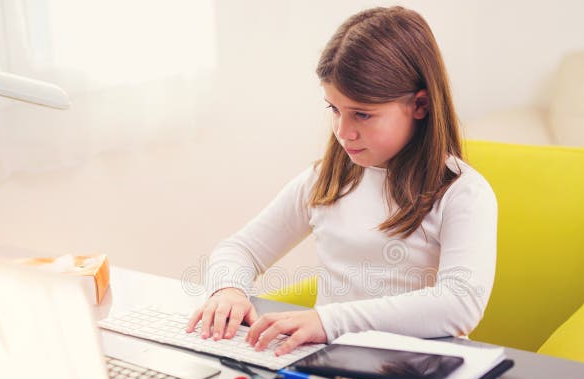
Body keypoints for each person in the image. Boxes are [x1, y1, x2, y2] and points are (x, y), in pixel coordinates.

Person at [186, 6, 497, 356]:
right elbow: (239, 250)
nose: (343, 131)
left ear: (420, 105)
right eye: (334, 109)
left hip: (421, 370)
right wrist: (228, 289)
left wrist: (328, 321)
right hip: (333, 366)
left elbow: (459, 303)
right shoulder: (326, 181)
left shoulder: (463, 194)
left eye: (362, 114)